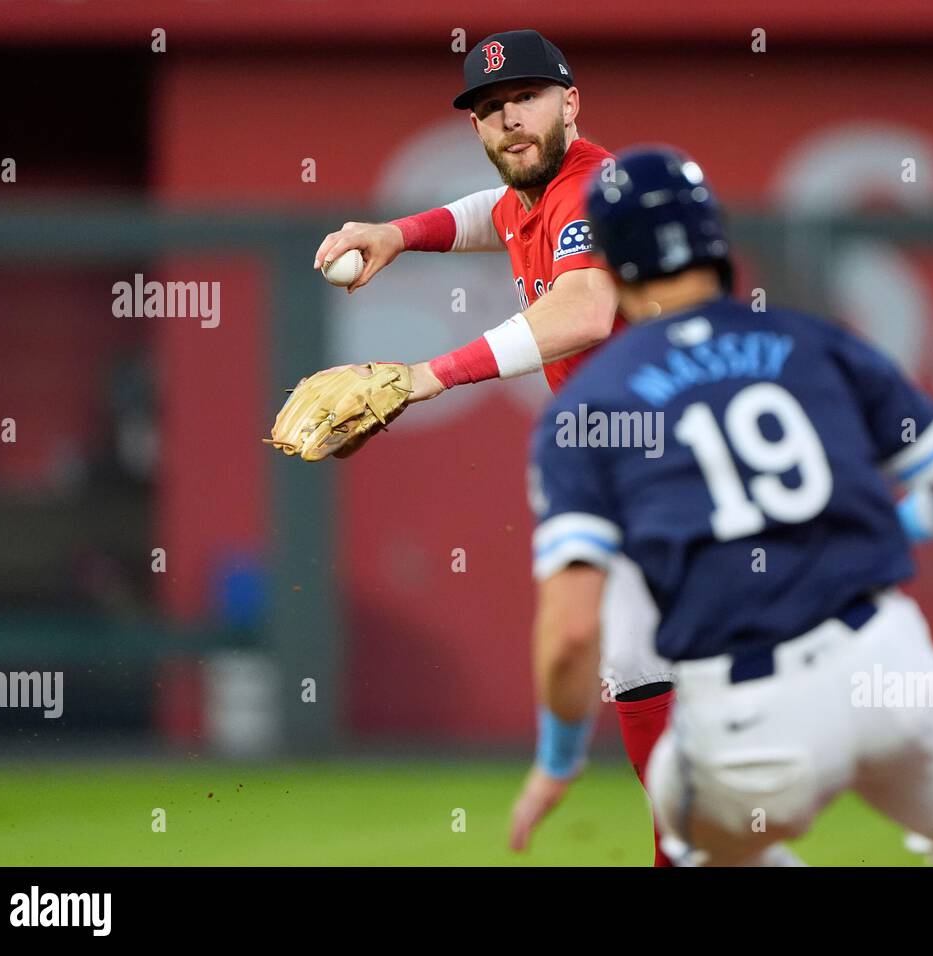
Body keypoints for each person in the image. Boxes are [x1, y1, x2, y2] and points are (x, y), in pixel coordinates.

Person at [512, 145, 933, 866]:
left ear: (608, 266)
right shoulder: (813, 343)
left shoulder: (589, 404)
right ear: (718, 241)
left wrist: (557, 759)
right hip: (886, 658)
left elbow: (575, 631)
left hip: (749, 710)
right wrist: (884, 525)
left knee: (692, 839)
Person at [311, 29, 704, 866]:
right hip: (646, 465)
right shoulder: (539, 195)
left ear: (570, 101)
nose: (508, 120)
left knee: (674, 680)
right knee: (643, 671)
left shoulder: (598, 185)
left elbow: (582, 312)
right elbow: (491, 217)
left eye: (524, 98)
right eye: (489, 111)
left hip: (685, 462)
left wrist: (427, 377)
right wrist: (395, 233)